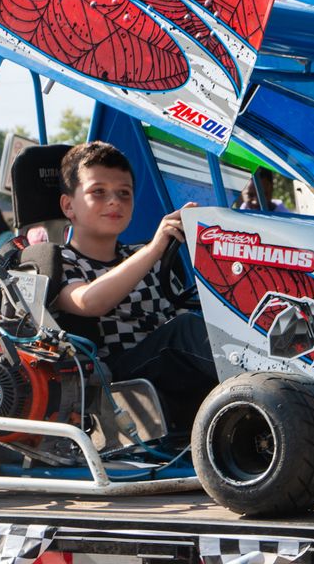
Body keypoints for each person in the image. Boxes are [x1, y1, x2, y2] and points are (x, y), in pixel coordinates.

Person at [54, 141, 216, 432]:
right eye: (98, 192)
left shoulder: (146, 256)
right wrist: (154, 249)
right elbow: (88, 302)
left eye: (124, 194)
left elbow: (182, 309)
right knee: (184, 330)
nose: (114, 201)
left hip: (172, 368)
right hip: (116, 378)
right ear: (69, 206)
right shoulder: (61, 261)